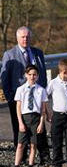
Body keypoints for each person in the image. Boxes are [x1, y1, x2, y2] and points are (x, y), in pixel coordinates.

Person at [1, 26, 48, 154]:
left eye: (27, 37)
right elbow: (4, 79)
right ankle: (21, 156)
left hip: (36, 97)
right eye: (22, 37)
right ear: (17, 38)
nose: (25, 39)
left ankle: (44, 155)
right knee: (19, 127)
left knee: (39, 126)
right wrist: (10, 97)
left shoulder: (37, 53)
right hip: (19, 99)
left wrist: (43, 93)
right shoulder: (9, 55)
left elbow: (42, 73)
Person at [8, 65, 48, 167]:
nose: (32, 77)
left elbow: (43, 109)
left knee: (33, 144)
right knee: (21, 144)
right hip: (24, 118)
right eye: (30, 74)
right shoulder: (21, 89)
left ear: (38, 76)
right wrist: (20, 122)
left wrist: (41, 123)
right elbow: (18, 107)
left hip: (36, 118)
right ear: (26, 75)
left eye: (34, 74)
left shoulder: (41, 90)